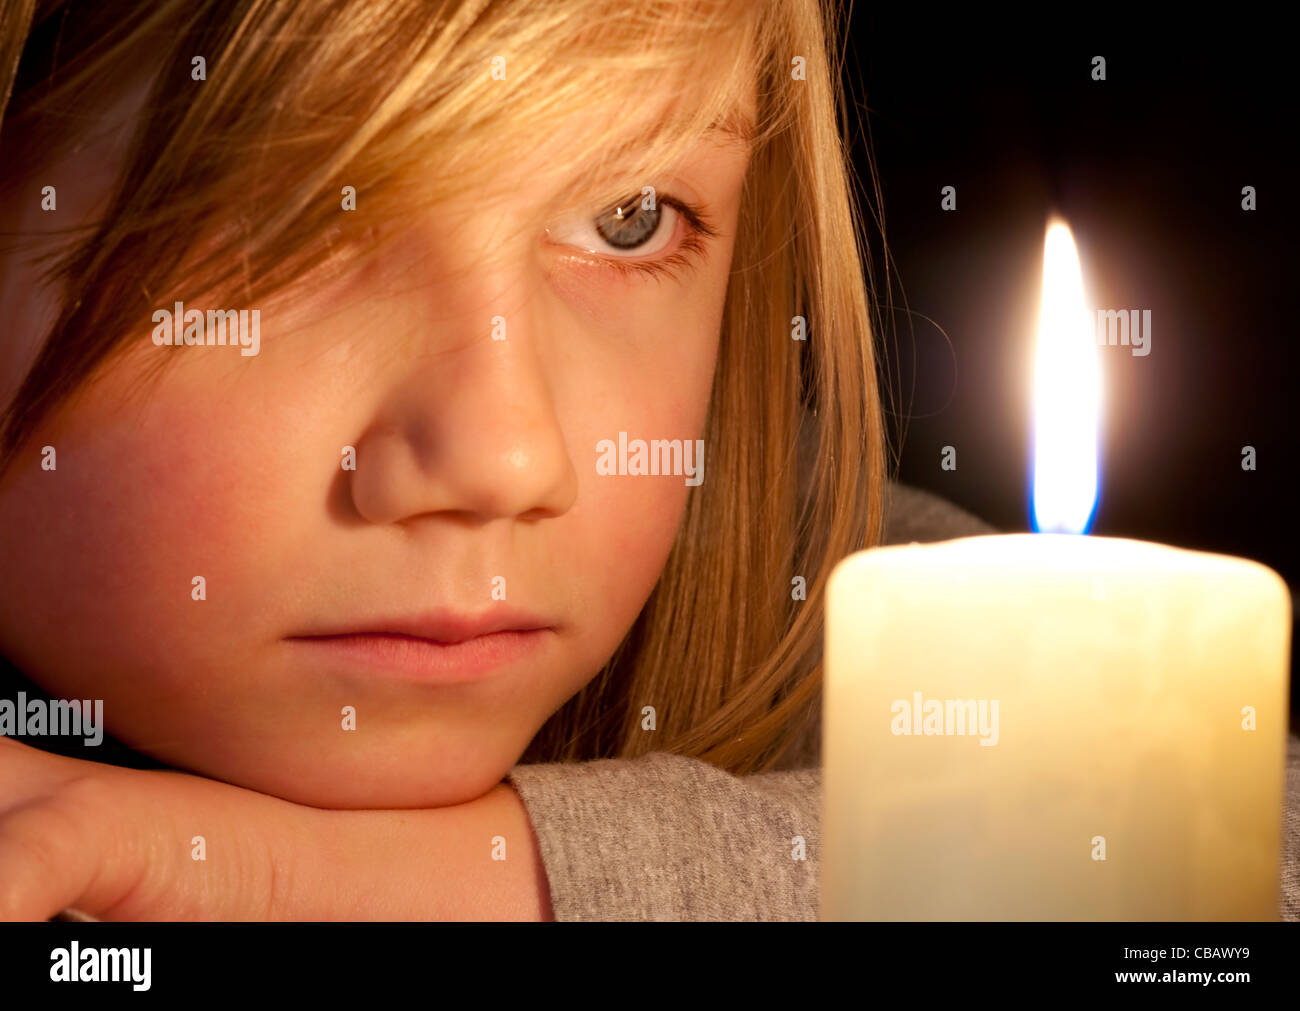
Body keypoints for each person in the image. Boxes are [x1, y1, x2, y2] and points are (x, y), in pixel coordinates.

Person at [0, 0, 883, 919]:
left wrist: (303, 880)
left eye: (631, 219)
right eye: (285, 215)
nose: (505, 460)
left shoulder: (832, 566)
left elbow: (1038, 830)